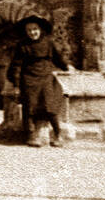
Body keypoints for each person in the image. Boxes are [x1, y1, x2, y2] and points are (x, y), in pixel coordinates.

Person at [6, 15, 74, 146]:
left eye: (35, 29)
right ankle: (32, 136)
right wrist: (16, 84)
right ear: (26, 32)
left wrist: (66, 67)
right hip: (28, 78)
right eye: (29, 30)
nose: (32, 32)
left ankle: (58, 135)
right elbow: (17, 66)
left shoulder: (48, 43)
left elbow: (57, 58)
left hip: (45, 77)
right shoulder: (22, 45)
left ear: (40, 29)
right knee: (30, 106)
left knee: (50, 105)